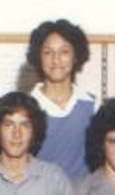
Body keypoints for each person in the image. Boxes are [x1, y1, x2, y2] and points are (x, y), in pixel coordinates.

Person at [27, 19, 97, 182]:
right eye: (48, 52)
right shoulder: (26, 106)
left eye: (64, 52)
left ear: (76, 57)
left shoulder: (93, 106)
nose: (56, 60)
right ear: (38, 56)